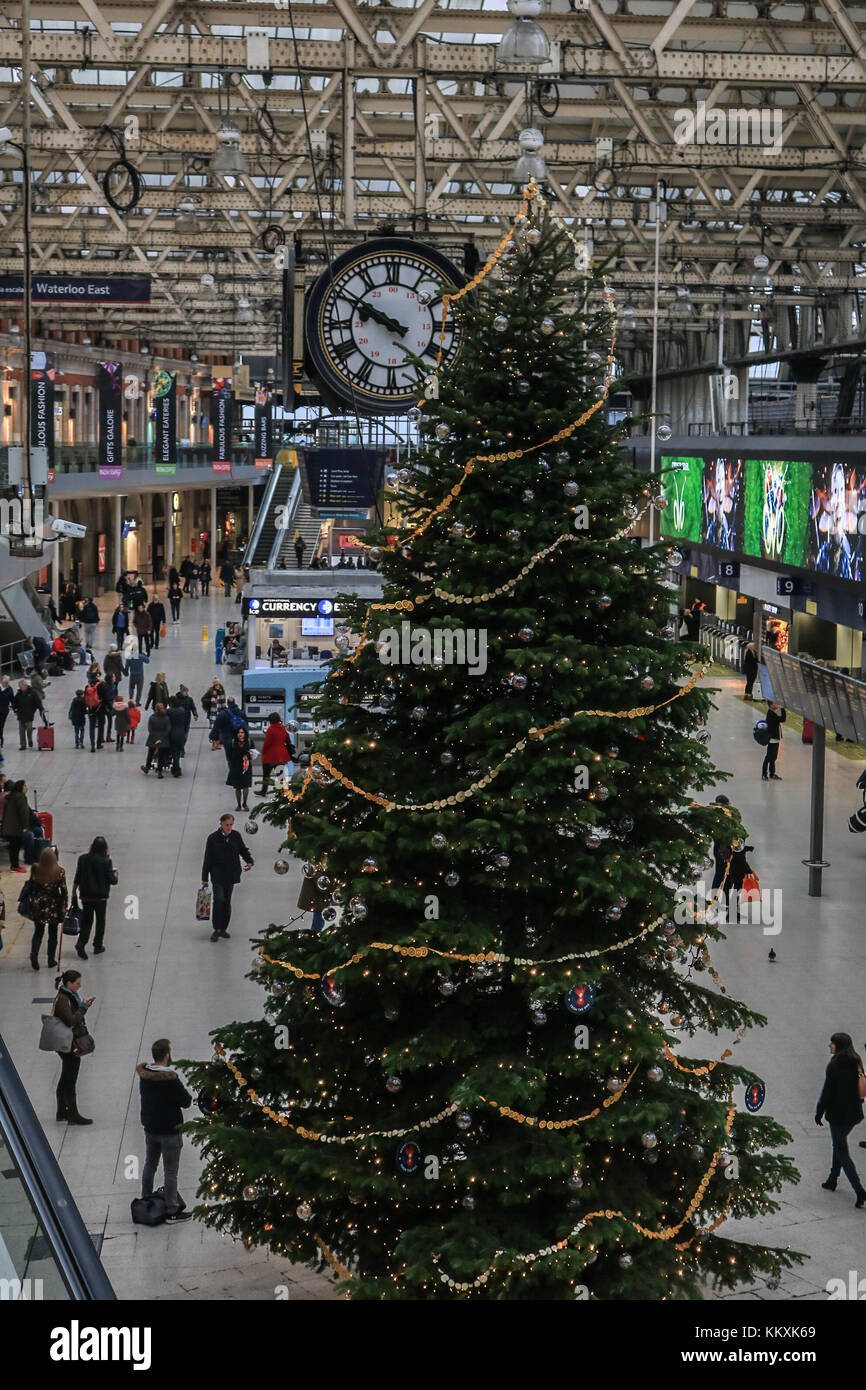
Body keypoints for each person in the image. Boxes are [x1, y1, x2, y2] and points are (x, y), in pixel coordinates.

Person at [136, 1039, 193, 1224]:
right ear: (167, 1054)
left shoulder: (145, 1075)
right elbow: (185, 1101)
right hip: (170, 1131)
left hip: (150, 1128)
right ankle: (172, 1210)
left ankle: (146, 1199)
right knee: (170, 1171)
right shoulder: (170, 1079)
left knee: (149, 1165)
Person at [816, 1032, 866, 1207]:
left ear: (839, 1046)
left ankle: (859, 1191)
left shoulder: (834, 1065)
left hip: (838, 1116)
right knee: (838, 1144)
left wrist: (819, 1111)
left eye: (832, 1043)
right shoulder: (856, 1060)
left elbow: (827, 1092)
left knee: (842, 1151)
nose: (830, 1046)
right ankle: (832, 1179)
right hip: (854, 1115)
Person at [201, 812, 254, 942]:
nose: (229, 827)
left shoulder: (236, 836)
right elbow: (207, 859)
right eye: (226, 825)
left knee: (227, 902)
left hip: (231, 875)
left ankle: (223, 928)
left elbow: (242, 850)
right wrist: (204, 878)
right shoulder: (213, 838)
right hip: (218, 875)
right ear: (221, 824)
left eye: (231, 825)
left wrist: (249, 861)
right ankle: (217, 929)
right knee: (219, 900)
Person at [52, 969, 94, 1125]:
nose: (80, 986)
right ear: (68, 983)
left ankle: (62, 1111)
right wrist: (84, 1007)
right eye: (77, 983)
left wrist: (82, 1006)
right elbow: (71, 1020)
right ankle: (72, 1114)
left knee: (66, 1075)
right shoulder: (64, 999)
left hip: (65, 1041)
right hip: (68, 1043)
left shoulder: (69, 996)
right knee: (70, 1078)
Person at [73, 835, 117, 958]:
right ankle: (97, 945)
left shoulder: (82, 859)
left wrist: (73, 894)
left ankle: (81, 943)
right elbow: (112, 880)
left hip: (86, 896)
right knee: (100, 921)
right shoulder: (106, 861)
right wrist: (115, 874)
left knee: (87, 921)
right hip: (100, 897)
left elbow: (78, 877)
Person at [27, 845, 68, 971]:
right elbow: (64, 890)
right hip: (53, 905)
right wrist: (65, 904)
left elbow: (31, 886)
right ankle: (51, 960)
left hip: (38, 905)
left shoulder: (35, 869)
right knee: (53, 933)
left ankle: (34, 954)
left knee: (38, 932)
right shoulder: (60, 871)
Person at [260, 710, 294, 794]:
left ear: (270, 720)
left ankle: (264, 791)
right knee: (280, 775)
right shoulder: (283, 728)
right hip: (281, 755)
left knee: (266, 775)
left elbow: (267, 743)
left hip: (270, 755)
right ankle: (282, 791)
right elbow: (288, 740)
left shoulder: (270, 729)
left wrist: (263, 751)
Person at [2, 779, 30, 871]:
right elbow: (24, 813)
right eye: (25, 786)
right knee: (16, 847)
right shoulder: (21, 797)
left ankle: (14, 865)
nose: (26, 788)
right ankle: (15, 866)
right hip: (16, 828)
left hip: (8, 828)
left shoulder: (11, 797)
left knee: (13, 847)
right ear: (21, 788)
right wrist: (25, 826)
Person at [226, 725, 255, 812]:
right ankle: (238, 804)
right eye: (239, 732)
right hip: (236, 767)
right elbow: (229, 755)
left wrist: (248, 756)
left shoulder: (249, 742)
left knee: (246, 786)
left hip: (246, 767)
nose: (240, 734)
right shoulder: (232, 742)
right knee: (237, 787)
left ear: (245, 734)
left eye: (242, 732)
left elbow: (253, 753)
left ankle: (245, 803)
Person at [211, 696, 247, 766]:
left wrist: (213, 737)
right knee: (240, 755)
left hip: (227, 738)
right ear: (235, 702)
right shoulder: (241, 713)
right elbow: (246, 725)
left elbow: (216, 726)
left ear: (227, 703)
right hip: (240, 738)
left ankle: (232, 769)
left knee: (229, 757)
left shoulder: (223, 714)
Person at [14, 678, 45, 750]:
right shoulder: (19, 693)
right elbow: (15, 702)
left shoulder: (32, 693)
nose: (19, 687)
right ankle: (23, 745)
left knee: (29, 729)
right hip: (21, 714)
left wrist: (41, 708)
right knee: (21, 731)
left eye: (20, 686)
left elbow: (37, 702)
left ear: (25, 685)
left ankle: (30, 740)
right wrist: (13, 707)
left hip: (29, 714)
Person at [142, 703, 171, 778]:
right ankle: (159, 771)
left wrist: (156, 739)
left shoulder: (152, 717)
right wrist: (161, 739)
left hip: (153, 739)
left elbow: (150, 729)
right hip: (163, 740)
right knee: (161, 756)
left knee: (150, 754)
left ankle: (147, 767)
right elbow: (168, 730)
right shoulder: (166, 718)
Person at [762, 701, 786, 781]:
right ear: (771, 705)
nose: (777, 705)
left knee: (773, 757)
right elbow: (783, 719)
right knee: (769, 757)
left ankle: (772, 773)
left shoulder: (772, 713)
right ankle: (764, 774)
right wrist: (782, 708)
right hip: (772, 739)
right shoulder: (771, 715)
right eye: (775, 704)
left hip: (775, 739)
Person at [167, 696, 188, 778]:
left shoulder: (169, 711)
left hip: (172, 734)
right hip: (181, 733)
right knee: (178, 752)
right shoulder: (182, 710)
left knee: (174, 752)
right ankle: (176, 767)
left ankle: (176, 769)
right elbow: (186, 722)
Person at [84, 676, 104, 751]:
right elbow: (104, 697)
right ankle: (99, 744)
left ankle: (92, 745)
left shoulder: (87, 687)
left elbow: (85, 698)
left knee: (92, 727)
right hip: (100, 708)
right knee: (101, 726)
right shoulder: (101, 685)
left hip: (91, 708)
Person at [0, 673, 14, 748]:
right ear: (2, 681)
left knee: (1, 725)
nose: (7, 683)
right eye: (5, 682)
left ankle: (1, 740)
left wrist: (13, 706)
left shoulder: (9, 689)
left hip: (4, 711)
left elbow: (12, 699)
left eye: (8, 682)